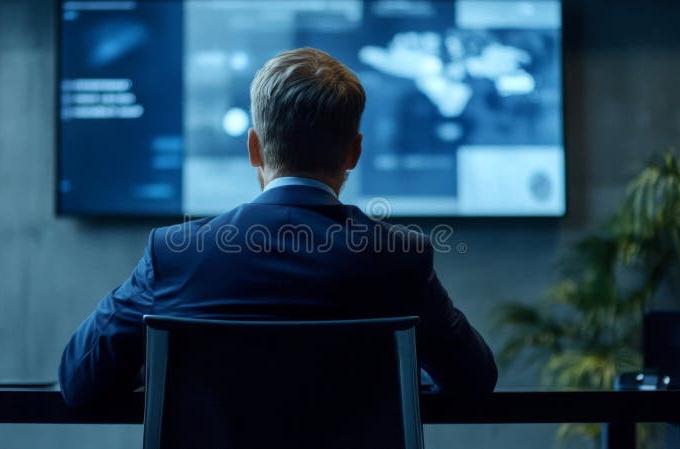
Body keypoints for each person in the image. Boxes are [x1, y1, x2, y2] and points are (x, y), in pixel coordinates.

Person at [59, 47, 497, 407]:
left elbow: (78, 382)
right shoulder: (402, 258)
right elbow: (474, 381)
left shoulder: (175, 252)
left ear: (254, 147)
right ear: (354, 152)